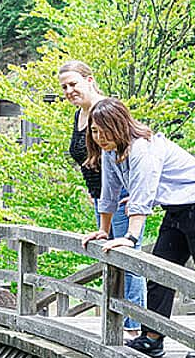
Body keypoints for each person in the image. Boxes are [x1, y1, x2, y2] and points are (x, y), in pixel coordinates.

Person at [80, 98, 195, 358]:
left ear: (120, 125)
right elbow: (109, 194)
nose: (100, 137)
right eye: (94, 131)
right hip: (176, 207)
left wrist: (129, 238)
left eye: (105, 130)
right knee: (159, 270)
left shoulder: (142, 147)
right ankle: (152, 337)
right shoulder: (110, 152)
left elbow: (142, 193)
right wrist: (103, 231)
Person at [58, 61, 146, 334]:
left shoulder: (105, 110)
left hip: (121, 197)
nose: (69, 90)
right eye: (64, 87)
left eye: (73, 84)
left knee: (128, 260)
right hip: (102, 199)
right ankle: (118, 325)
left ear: (89, 80)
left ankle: (134, 327)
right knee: (111, 261)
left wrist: (133, 193)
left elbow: (130, 146)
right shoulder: (80, 115)